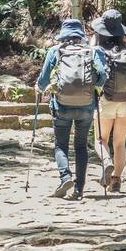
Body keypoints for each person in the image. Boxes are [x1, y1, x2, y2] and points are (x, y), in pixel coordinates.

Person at [36, 18, 108, 200]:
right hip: (86, 106)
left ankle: (65, 177)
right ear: (81, 33)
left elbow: (43, 81)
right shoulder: (92, 51)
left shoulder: (55, 51)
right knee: (81, 146)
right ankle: (79, 189)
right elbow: (102, 77)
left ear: (63, 34)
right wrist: (93, 87)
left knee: (61, 144)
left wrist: (39, 89)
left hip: (61, 105)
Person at [91, 8, 126, 192]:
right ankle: (116, 179)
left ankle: (106, 162)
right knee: (120, 143)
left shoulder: (99, 50)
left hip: (105, 100)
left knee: (100, 139)